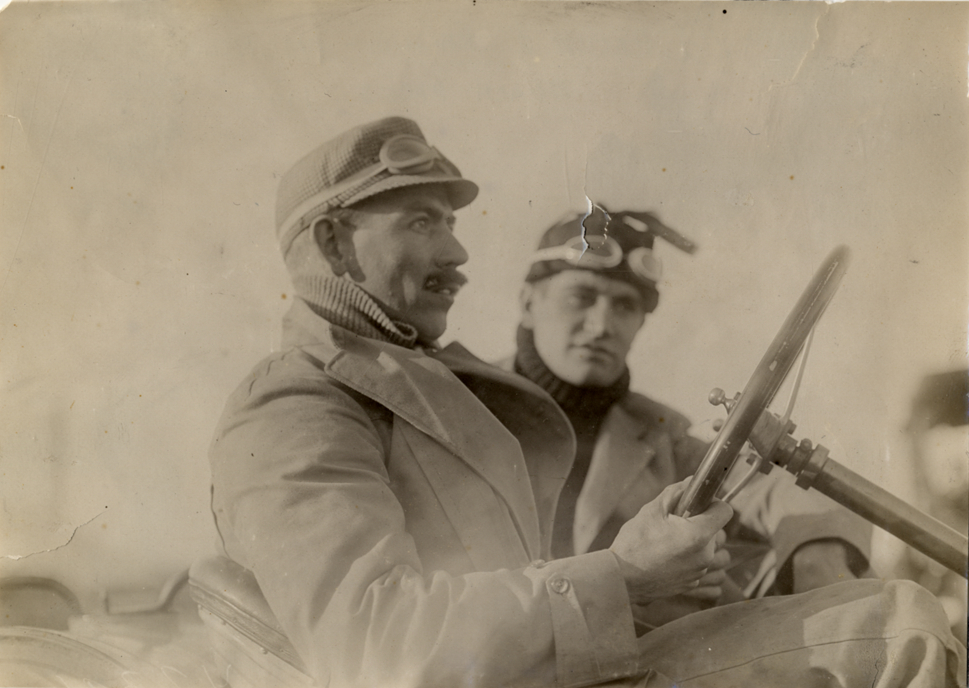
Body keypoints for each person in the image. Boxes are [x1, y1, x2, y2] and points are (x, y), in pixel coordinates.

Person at [205, 116, 965, 688]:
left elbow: (762, 490)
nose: (457, 252)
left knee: (890, 612)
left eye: (625, 307)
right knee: (904, 630)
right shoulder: (294, 403)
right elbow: (372, 645)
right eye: (420, 221)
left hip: (570, 669)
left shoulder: (426, 385)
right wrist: (625, 575)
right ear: (335, 245)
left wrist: (821, 559)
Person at [501, 205, 877, 625]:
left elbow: (774, 487)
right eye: (580, 298)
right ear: (528, 302)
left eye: (625, 306)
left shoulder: (661, 435)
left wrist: (819, 549)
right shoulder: (457, 402)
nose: (601, 325)